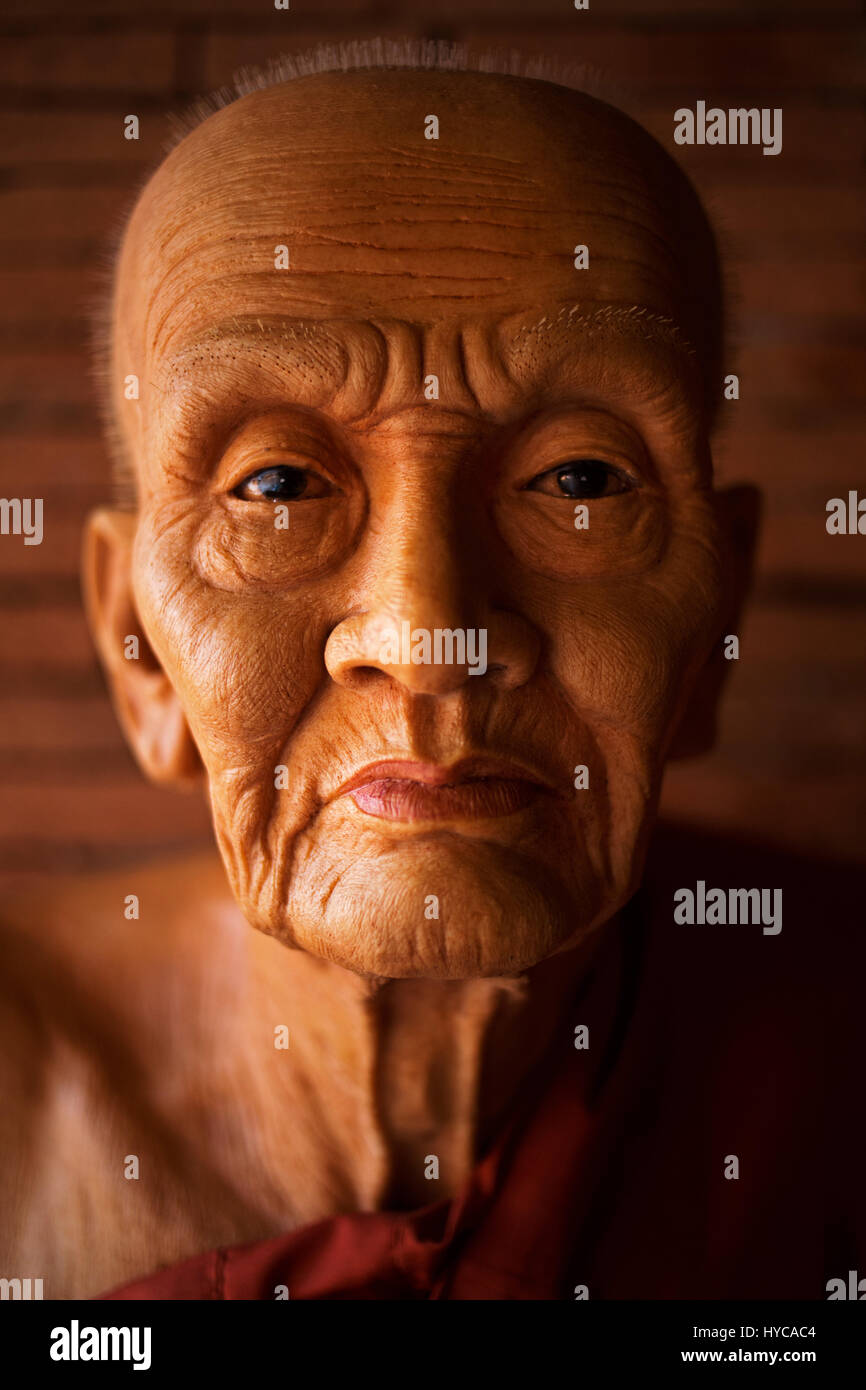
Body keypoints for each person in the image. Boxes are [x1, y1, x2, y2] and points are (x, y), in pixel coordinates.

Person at [0, 44, 859, 1301]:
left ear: (714, 617)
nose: (426, 634)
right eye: (276, 486)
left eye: (578, 479)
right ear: (138, 649)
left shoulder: (831, 1038)